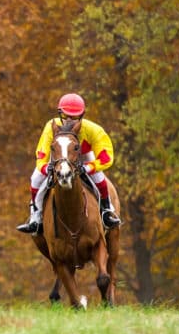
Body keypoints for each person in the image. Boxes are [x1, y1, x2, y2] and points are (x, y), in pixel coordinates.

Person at [16, 93, 121, 234]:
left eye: (75, 116)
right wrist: (46, 168)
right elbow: (41, 154)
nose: (69, 120)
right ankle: (35, 216)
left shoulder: (94, 130)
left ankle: (107, 211)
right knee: (35, 178)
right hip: (58, 157)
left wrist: (89, 167)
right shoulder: (51, 126)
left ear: (82, 115)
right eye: (65, 116)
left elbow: (106, 157)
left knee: (99, 177)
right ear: (60, 114)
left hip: (83, 156)